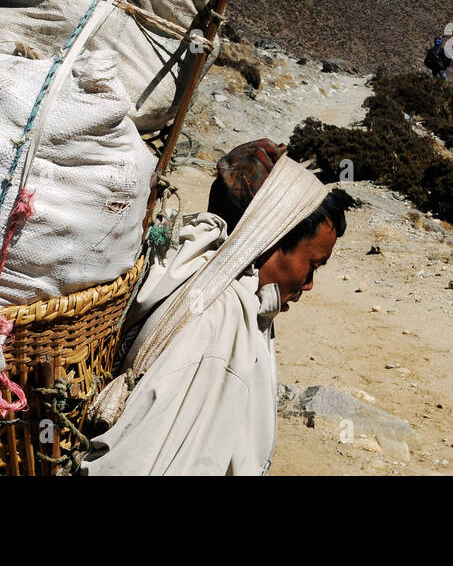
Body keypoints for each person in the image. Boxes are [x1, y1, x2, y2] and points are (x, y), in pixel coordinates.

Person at [81, 145, 354, 476]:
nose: (309, 283)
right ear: (270, 238)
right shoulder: (222, 317)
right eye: (312, 265)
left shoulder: (229, 295)